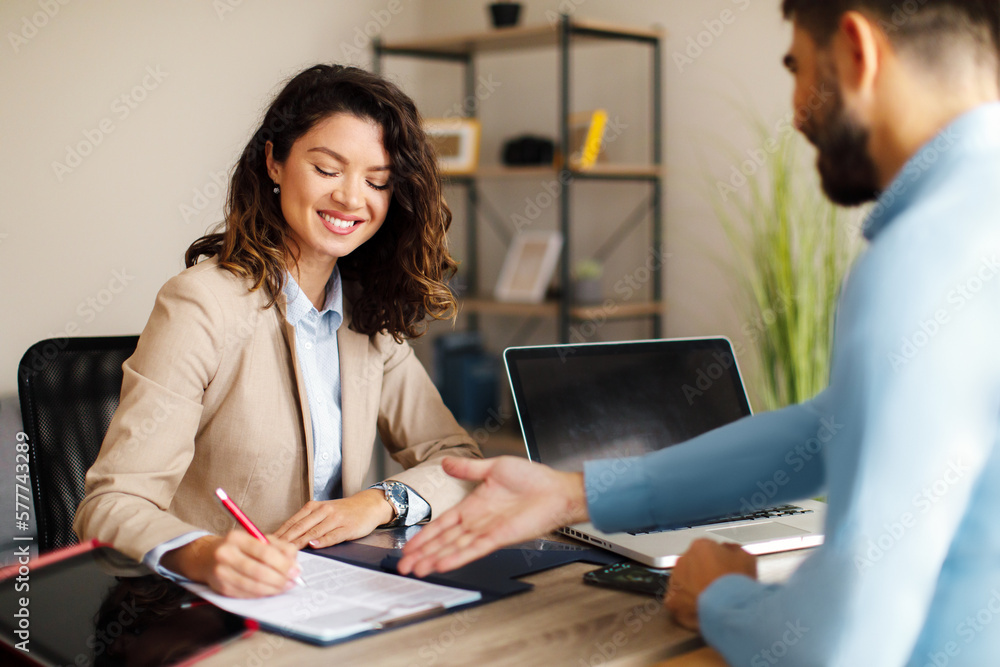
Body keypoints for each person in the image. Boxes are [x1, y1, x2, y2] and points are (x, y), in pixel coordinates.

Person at [399, 1, 1000, 664]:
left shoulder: (922, 258)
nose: (798, 111)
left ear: (858, 53)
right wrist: (575, 492)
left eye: (797, 68)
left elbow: (840, 644)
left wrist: (719, 597)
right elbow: (830, 428)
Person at [75, 64, 482, 599]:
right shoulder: (201, 303)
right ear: (275, 160)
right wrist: (200, 553)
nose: (352, 198)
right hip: (205, 610)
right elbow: (109, 505)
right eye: (327, 169)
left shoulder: (369, 316)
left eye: (377, 181)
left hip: (328, 597)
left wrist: (380, 502)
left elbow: (460, 461)